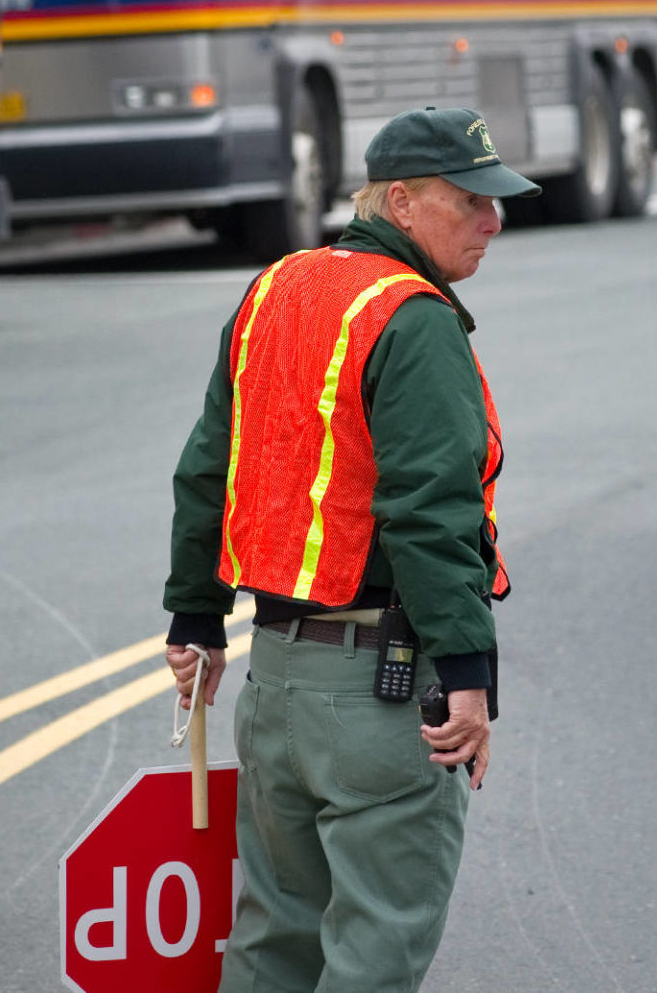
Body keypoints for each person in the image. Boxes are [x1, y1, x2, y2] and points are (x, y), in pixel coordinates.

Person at [163, 105, 539, 991]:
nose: (493, 221)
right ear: (400, 202)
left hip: (276, 688)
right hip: (379, 696)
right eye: (470, 201)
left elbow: (211, 467)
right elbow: (430, 513)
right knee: (375, 955)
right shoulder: (413, 316)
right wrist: (469, 678)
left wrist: (198, 621)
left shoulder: (276, 289)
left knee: (272, 943)